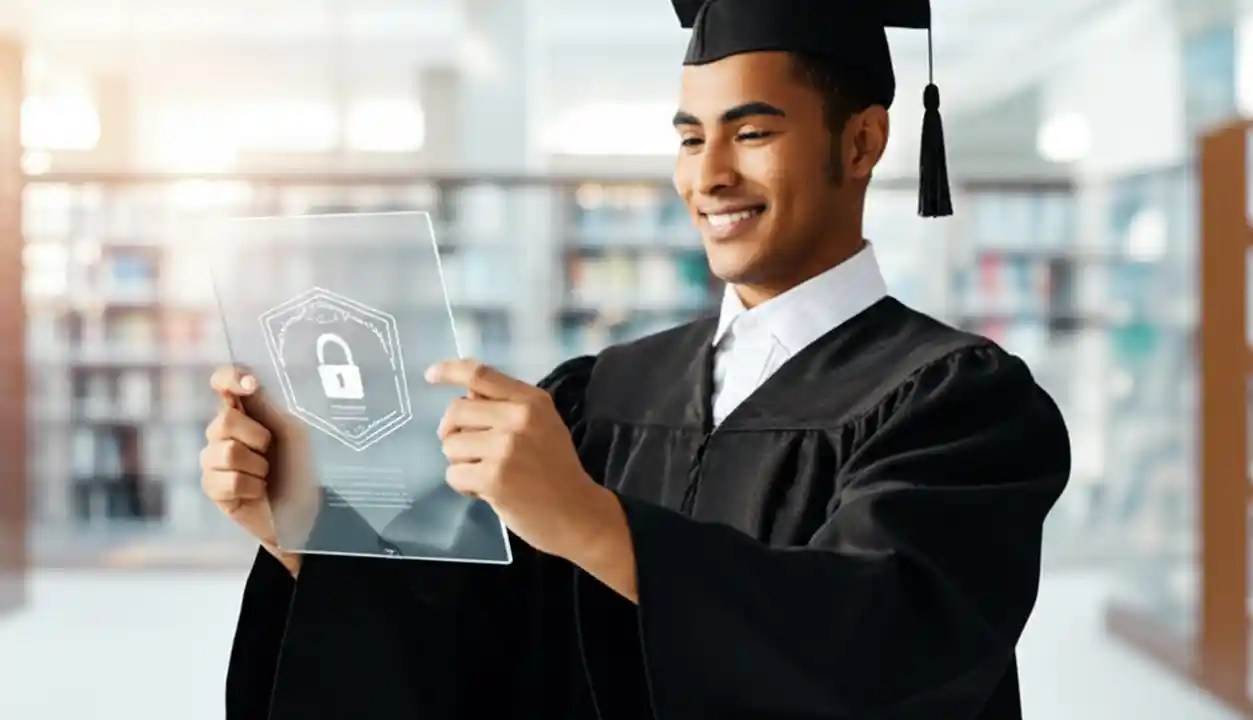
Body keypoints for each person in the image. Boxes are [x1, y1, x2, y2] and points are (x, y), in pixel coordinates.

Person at [200, 0, 1071, 717]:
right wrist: (300, 528)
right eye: (690, 139)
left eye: (751, 132)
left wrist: (591, 523)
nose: (709, 175)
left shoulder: (960, 406)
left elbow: (882, 645)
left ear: (862, 143)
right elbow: (474, 638)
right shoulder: (602, 395)